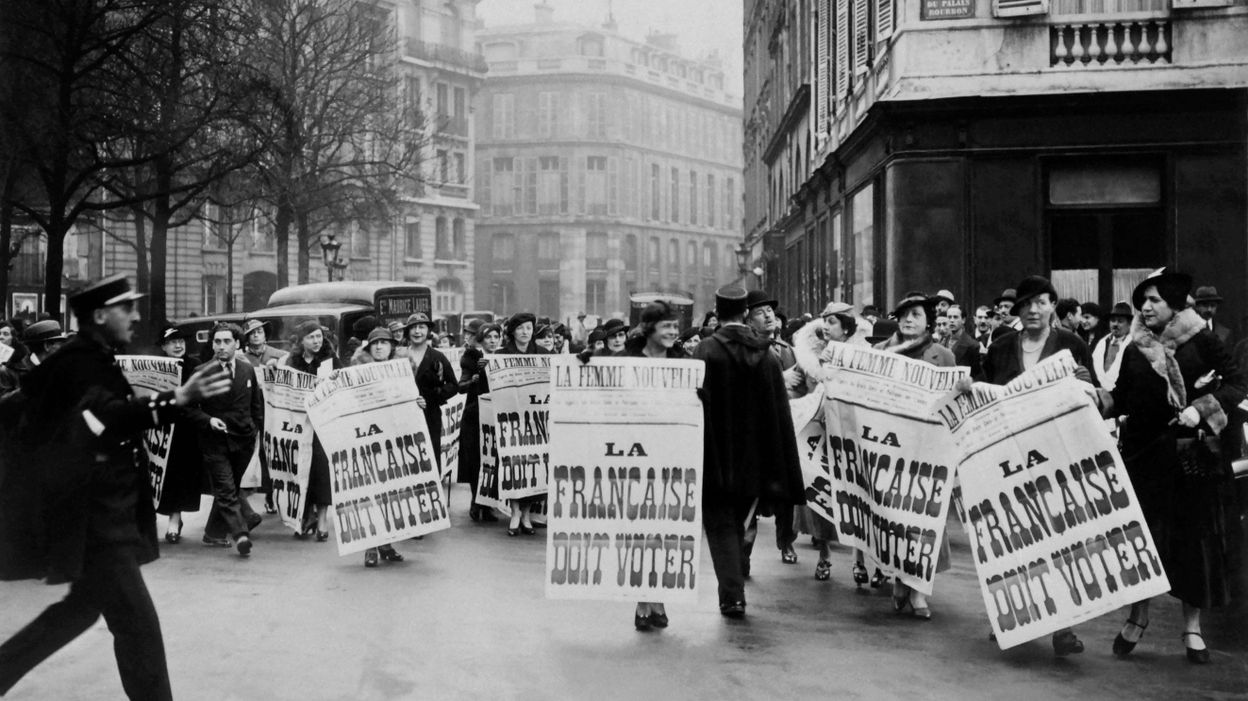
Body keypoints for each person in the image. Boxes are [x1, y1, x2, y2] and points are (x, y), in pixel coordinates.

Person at [0, 274, 230, 700]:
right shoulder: (81, 362)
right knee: (138, 626)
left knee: (79, 614)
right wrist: (174, 399)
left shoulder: (91, 357)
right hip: (96, 523)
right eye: (128, 308)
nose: (136, 316)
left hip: (100, 518)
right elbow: (106, 417)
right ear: (101, 315)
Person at [1101, 269, 1243, 664]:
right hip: (1144, 459)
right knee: (1144, 541)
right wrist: (1096, 400)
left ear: (1175, 306)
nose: (1145, 308)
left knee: (1193, 544)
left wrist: (1202, 409)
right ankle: (1137, 617)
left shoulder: (1202, 340)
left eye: (1154, 300)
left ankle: (1192, 627)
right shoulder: (1135, 349)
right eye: (1142, 301)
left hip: (1192, 460)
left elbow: (1237, 383)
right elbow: (1121, 398)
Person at [980, 274, 1093, 656]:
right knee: (1012, 541)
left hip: (1058, 459)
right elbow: (985, 399)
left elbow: (1094, 397)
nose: (1032, 310)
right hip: (1009, 460)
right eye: (1025, 304)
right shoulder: (1000, 348)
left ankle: (1064, 627)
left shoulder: (1072, 344)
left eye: (1040, 302)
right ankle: (1009, 617)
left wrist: (1087, 386)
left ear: (1052, 305)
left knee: (1060, 540)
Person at [694, 285, 805, 618]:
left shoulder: (705, 351)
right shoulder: (766, 355)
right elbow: (778, 413)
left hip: (713, 454)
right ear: (744, 313)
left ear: (717, 311)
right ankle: (736, 575)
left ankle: (732, 594)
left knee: (720, 525)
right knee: (740, 519)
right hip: (755, 458)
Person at [873, 292, 956, 620]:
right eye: (904, 314)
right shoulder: (880, 352)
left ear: (928, 321)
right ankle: (899, 578)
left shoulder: (943, 356)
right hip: (892, 446)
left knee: (926, 518)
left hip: (929, 448)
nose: (909, 320)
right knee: (894, 516)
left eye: (916, 315)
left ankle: (919, 589)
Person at [622, 301, 685, 631]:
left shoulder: (683, 362)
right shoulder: (627, 362)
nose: (673, 332)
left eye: (675, 327)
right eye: (667, 327)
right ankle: (643, 601)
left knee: (665, 533)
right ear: (650, 330)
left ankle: (657, 599)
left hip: (672, 458)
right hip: (634, 459)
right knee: (639, 533)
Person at [184, 323, 264, 557]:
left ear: (237, 344)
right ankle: (241, 535)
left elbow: (255, 404)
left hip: (243, 441)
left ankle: (213, 533)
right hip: (214, 440)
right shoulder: (202, 371)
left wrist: (255, 429)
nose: (221, 346)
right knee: (226, 489)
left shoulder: (246, 370)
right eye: (217, 342)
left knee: (229, 488)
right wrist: (208, 420)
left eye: (226, 341)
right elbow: (188, 408)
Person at [790, 303, 855, 582]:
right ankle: (824, 554)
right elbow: (794, 388)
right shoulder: (810, 359)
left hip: (851, 436)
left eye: (832, 323)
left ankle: (860, 560)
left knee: (854, 497)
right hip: (820, 435)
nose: (826, 328)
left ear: (846, 328)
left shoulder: (860, 357)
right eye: (824, 322)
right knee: (820, 493)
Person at [744, 289, 798, 567]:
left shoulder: (787, 351)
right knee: (749, 497)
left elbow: (801, 389)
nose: (768, 317)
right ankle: (745, 550)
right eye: (760, 313)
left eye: (770, 312)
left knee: (784, 494)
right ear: (748, 320)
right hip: (754, 435)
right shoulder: (743, 350)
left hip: (781, 431)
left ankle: (786, 542)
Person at [350, 328, 407, 568]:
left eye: (385, 343)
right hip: (367, 439)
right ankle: (370, 546)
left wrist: (418, 402)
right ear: (368, 347)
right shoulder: (356, 372)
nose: (380, 347)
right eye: (376, 343)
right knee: (371, 493)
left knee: (391, 494)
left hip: (394, 440)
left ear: (392, 347)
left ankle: (386, 542)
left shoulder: (402, 370)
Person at [283, 320, 341, 541]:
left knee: (321, 471)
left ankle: (323, 519)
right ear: (301, 341)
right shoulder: (293, 360)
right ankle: (304, 516)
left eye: (319, 336)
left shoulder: (330, 359)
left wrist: (335, 380)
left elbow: (342, 383)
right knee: (300, 470)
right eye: (311, 337)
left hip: (323, 424)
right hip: (300, 423)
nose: (316, 341)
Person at [154, 327, 206, 545]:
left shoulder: (194, 366)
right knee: (161, 476)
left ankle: (175, 521)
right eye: (172, 342)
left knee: (180, 476)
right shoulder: (156, 367)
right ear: (164, 347)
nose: (178, 345)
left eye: (181, 341)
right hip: (162, 430)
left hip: (187, 430)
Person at [498, 313, 548, 535]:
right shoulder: (501, 355)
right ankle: (515, 510)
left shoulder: (544, 355)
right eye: (520, 328)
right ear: (513, 331)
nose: (525, 332)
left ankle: (527, 512)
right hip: (511, 420)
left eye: (529, 328)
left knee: (534, 465)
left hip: (536, 419)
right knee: (514, 463)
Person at [458, 320, 499, 523]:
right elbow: (461, 385)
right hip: (475, 415)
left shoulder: (504, 356)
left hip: (497, 414)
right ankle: (476, 500)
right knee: (476, 460)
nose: (492, 341)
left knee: (493, 459)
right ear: (481, 340)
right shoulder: (471, 357)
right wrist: (475, 376)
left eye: (495, 337)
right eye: (488, 337)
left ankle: (489, 502)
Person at [0, 320, 68, 394]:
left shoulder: (58, 368)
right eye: (59, 344)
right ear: (47, 346)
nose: (61, 348)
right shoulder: (9, 371)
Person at [1091, 302, 1133, 391]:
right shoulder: (1102, 343)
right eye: (1113, 320)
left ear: (1129, 324)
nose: (1115, 324)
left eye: (1120, 321)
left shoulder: (1133, 345)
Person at [944, 304, 982, 379]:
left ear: (963, 320)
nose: (951, 320)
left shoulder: (972, 345)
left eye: (955, 317)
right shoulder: (942, 341)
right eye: (949, 317)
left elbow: (976, 375)